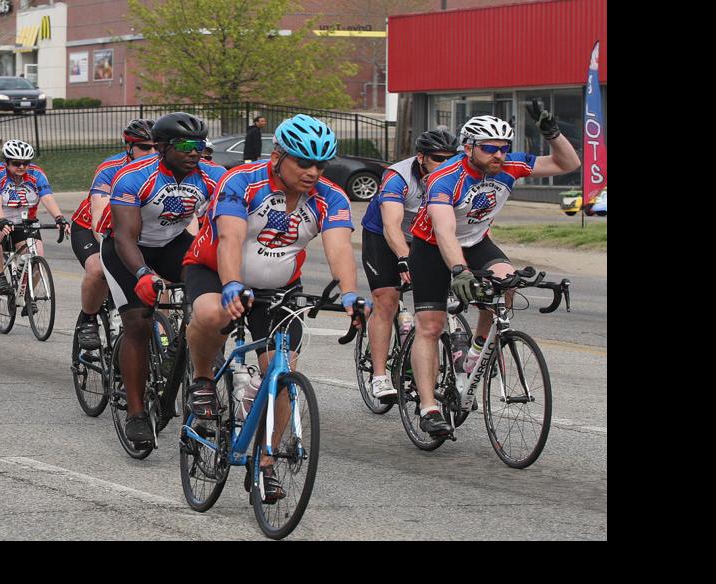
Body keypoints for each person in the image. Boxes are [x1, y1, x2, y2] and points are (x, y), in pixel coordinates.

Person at [181, 114, 367, 500]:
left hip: (279, 287)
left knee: (282, 371)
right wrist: (232, 283)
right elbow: (230, 238)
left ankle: (264, 464)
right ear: (278, 155)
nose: (313, 172)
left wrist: (349, 293)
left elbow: (339, 248)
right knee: (213, 313)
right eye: (303, 162)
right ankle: (202, 379)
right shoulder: (242, 181)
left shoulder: (330, 197)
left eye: (321, 164)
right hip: (215, 270)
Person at [408, 106, 579, 436]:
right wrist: (459, 271)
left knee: (507, 280)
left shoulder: (509, 166)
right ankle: (429, 407)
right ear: (469, 146)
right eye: (490, 147)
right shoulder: (445, 178)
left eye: (503, 146)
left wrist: (552, 133)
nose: (499, 154)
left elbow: (567, 164)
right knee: (430, 325)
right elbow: (444, 231)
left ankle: (473, 354)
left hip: (476, 241)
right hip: (431, 246)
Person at [102, 112, 225, 451]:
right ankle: (137, 413)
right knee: (138, 323)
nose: (194, 153)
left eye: (199, 146)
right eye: (186, 145)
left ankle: (199, 370)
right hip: (127, 249)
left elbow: (224, 228)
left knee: (209, 304)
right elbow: (125, 236)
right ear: (161, 147)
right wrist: (143, 274)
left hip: (172, 243)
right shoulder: (133, 176)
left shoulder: (213, 177)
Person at [359, 126, 456, 401]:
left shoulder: (456, 176)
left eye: (451, 158)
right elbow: (391, 225)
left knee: (434, 304)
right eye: (438, 158)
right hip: (384, 236)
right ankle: (379, 376)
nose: (445, 164)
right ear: (421, 157)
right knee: (387, 299)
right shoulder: (397, 177)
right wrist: (404, 259)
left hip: (425, 237)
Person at [67, 118, 154, 352]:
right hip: (92, 229)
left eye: (157, 146)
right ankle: (88, 320)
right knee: (98, 269)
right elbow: (98, 221)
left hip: (134, 233)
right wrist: (117, 256)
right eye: (144, 147)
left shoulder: (164, 169)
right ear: (129, 146)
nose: (152, 152)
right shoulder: (111, 169)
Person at [0, 139, 67, 294]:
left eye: (25, 163)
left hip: (25, 220)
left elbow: (47, 197)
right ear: (6, 162)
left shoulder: (36, 174)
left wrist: (59, 217)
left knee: (37, 261)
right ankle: (0, 279)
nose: (21, 167)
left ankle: (26, 295)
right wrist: (1, 220)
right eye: (16, 163)